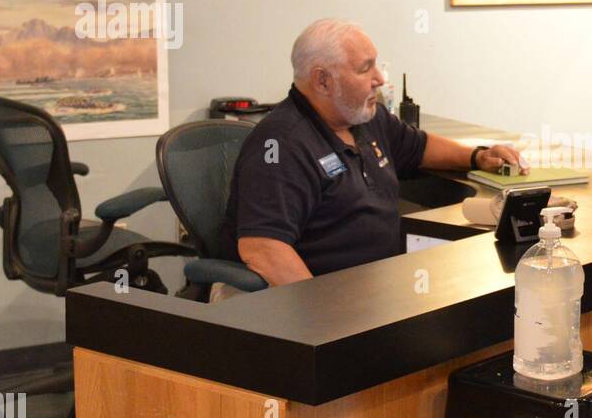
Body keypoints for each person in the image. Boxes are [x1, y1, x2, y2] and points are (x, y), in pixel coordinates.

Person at [218, 18, 524, 294]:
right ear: (323, 80)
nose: (379, 78)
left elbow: (418, 147)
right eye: (365, 68)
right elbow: (263, 249)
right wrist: (321, 325)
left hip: (374, 289)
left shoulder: (364, 117)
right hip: (314, 300)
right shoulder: (281, 145)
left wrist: (477, 156)